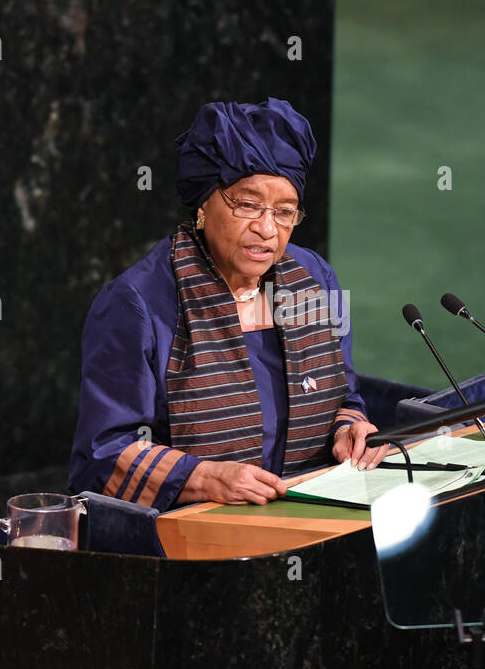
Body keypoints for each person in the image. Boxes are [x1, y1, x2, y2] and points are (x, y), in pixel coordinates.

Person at [68, 97, 388, 509]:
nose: (267, 228)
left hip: (312, 522)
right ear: (204, 205)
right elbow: (101, 457)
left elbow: (345, 397)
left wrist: (351, 431)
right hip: (193, 543)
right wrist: (202, 479)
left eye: (285, 211)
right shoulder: (137, 303)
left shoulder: (316, 279)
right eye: (248, 204)